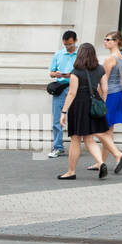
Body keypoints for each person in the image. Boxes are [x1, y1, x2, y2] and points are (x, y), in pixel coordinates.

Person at [58, 43, 108, 180]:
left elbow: (71, 94)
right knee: (90, 138)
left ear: (80, 54)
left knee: (75, 139)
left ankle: (71, 172)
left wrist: (63, 112)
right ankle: (101, 162)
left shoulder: (76, 72)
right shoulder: (100, 69)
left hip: (79, 106)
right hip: (94, 104)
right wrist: (101, 103)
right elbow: (105, 89)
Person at [88, 31, 122, 174]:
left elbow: (103, 82)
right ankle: (101, 162)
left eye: (108, 39)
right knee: (109, 131)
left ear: (116, 41)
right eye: (104, 39)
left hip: (109, 96)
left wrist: (96, 98)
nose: (105, 41)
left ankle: (118, 154)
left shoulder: (109, 59)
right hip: (118, 96)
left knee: (98, 130)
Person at [47, 30, 78, 158]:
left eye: (70, 44)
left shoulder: (81, 54)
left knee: (75, 119)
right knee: (57, 120)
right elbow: (51, 72)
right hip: (60, 88)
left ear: (75, 41)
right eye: (65, 45)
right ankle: (58, 147)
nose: (68, 47)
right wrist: (57, 74)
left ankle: (75, 148)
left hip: (76, 87)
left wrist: (71, 75)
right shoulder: (58, 54)